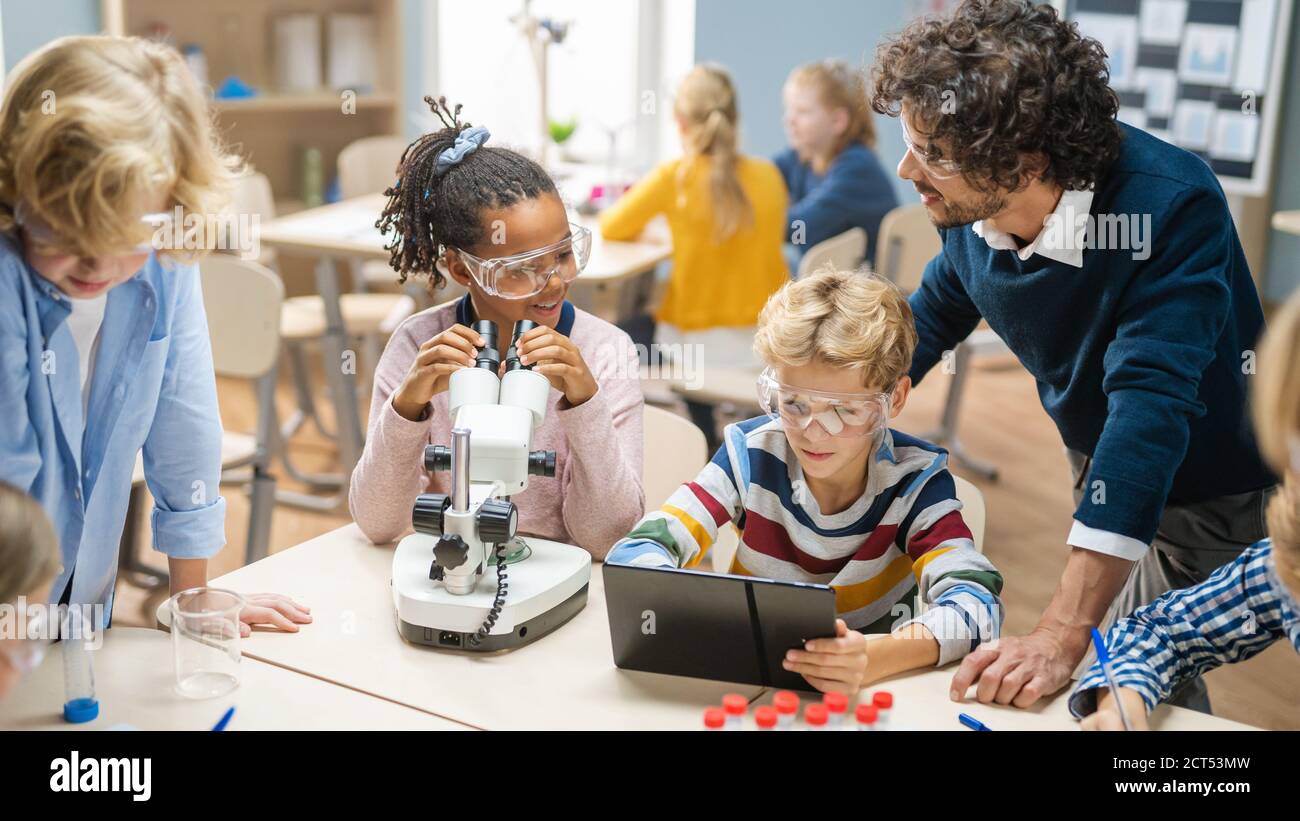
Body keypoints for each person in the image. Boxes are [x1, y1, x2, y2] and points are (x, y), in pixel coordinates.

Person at [869, 0, 1274, 710]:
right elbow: (939, 306)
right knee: (1139, 669)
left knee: (1122, 660)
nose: (908, 170)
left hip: (1205, 478)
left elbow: (1150, 409)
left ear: (1024, 164)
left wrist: (1061, 629)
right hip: (1099, 450)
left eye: (931, 154)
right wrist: (849, 401)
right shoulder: (970, 205)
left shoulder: (1170, 208)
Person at [0, 35, 310, 634]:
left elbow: (182, 415)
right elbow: (8, 472)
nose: (95, 266)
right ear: (16, 197)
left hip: (78, 602)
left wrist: (193, 595)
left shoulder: (165, 254)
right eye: (64, 234)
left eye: (122, 237)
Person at [607, 268, 1003, 694]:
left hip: (866, 696)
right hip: (753, 687)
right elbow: (640, 549)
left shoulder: (916, 484)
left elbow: (979, 606)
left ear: (896, 399)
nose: (814, 430)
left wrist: (878, 656)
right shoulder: (751, 455)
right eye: (793, 403)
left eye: (845, 410)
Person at [350, 97, 645, 556]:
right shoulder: (416, 346)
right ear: (463, 270)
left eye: (564, 255)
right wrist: (408, 407)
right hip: (456, 570)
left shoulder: (607, 352)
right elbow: (377, 522)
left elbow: (610, 538)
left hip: (564, 580)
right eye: (523, 267)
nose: (555, 282)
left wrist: (585, 402)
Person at [775, 59, 898, 269]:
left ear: (837, 121)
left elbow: (798, 228)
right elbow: (763, 179)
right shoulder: (802, 156)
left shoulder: (858, 168)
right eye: (788, 109)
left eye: (802, 111)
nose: (789, 120)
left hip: (863, 292)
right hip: (832, 280)